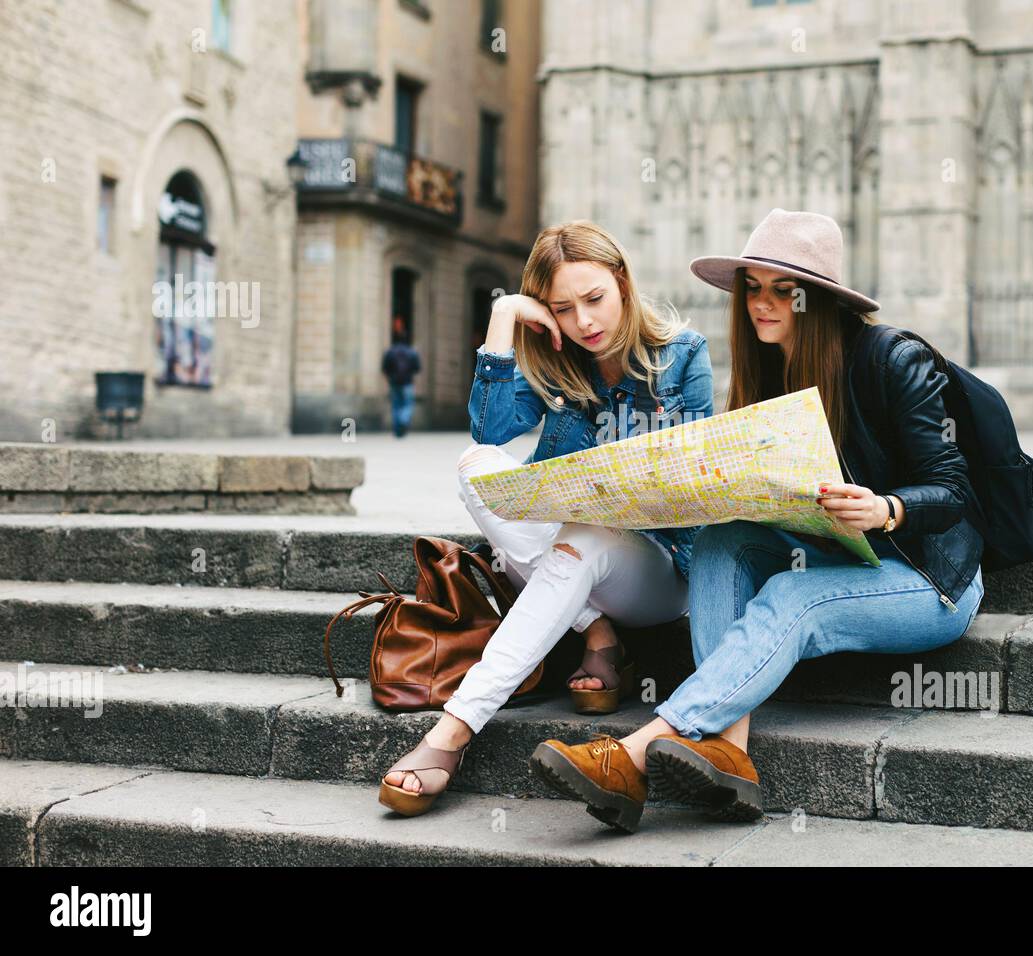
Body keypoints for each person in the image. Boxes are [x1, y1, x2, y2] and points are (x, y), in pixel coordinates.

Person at [529, 208, 986, 833]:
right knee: (721, 541)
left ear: (818, 298)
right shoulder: (766, 370)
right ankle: (732, 756)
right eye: (752, 288)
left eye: (782, 290)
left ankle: (632, 755)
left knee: (791, 592)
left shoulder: (891, 357)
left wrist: (887, 507)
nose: (762, 304)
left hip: (926, 577)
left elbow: (955, 489)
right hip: (838, 554)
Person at [378, 220, 714, 817]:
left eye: (595, 299)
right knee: (476, 464)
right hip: (577, 552)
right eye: (563, 308)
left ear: (622, 283)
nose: (585, 322)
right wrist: (505, 315)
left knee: (583, 535)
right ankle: (597, 632)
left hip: (663, 570)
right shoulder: (559, 362)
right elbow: (489, 429)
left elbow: (692, 485)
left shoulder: (682, 356)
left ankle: (453, 731)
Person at [381, 318, 421, 438]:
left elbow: (385, 368)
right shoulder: (412, 352)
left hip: (394, 382)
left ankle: (397, 430)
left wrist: (389, 377)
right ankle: (404, 420)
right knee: (408, 404)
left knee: (396, 405)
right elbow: (417, 368)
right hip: (407, 382)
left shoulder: (390, 352)